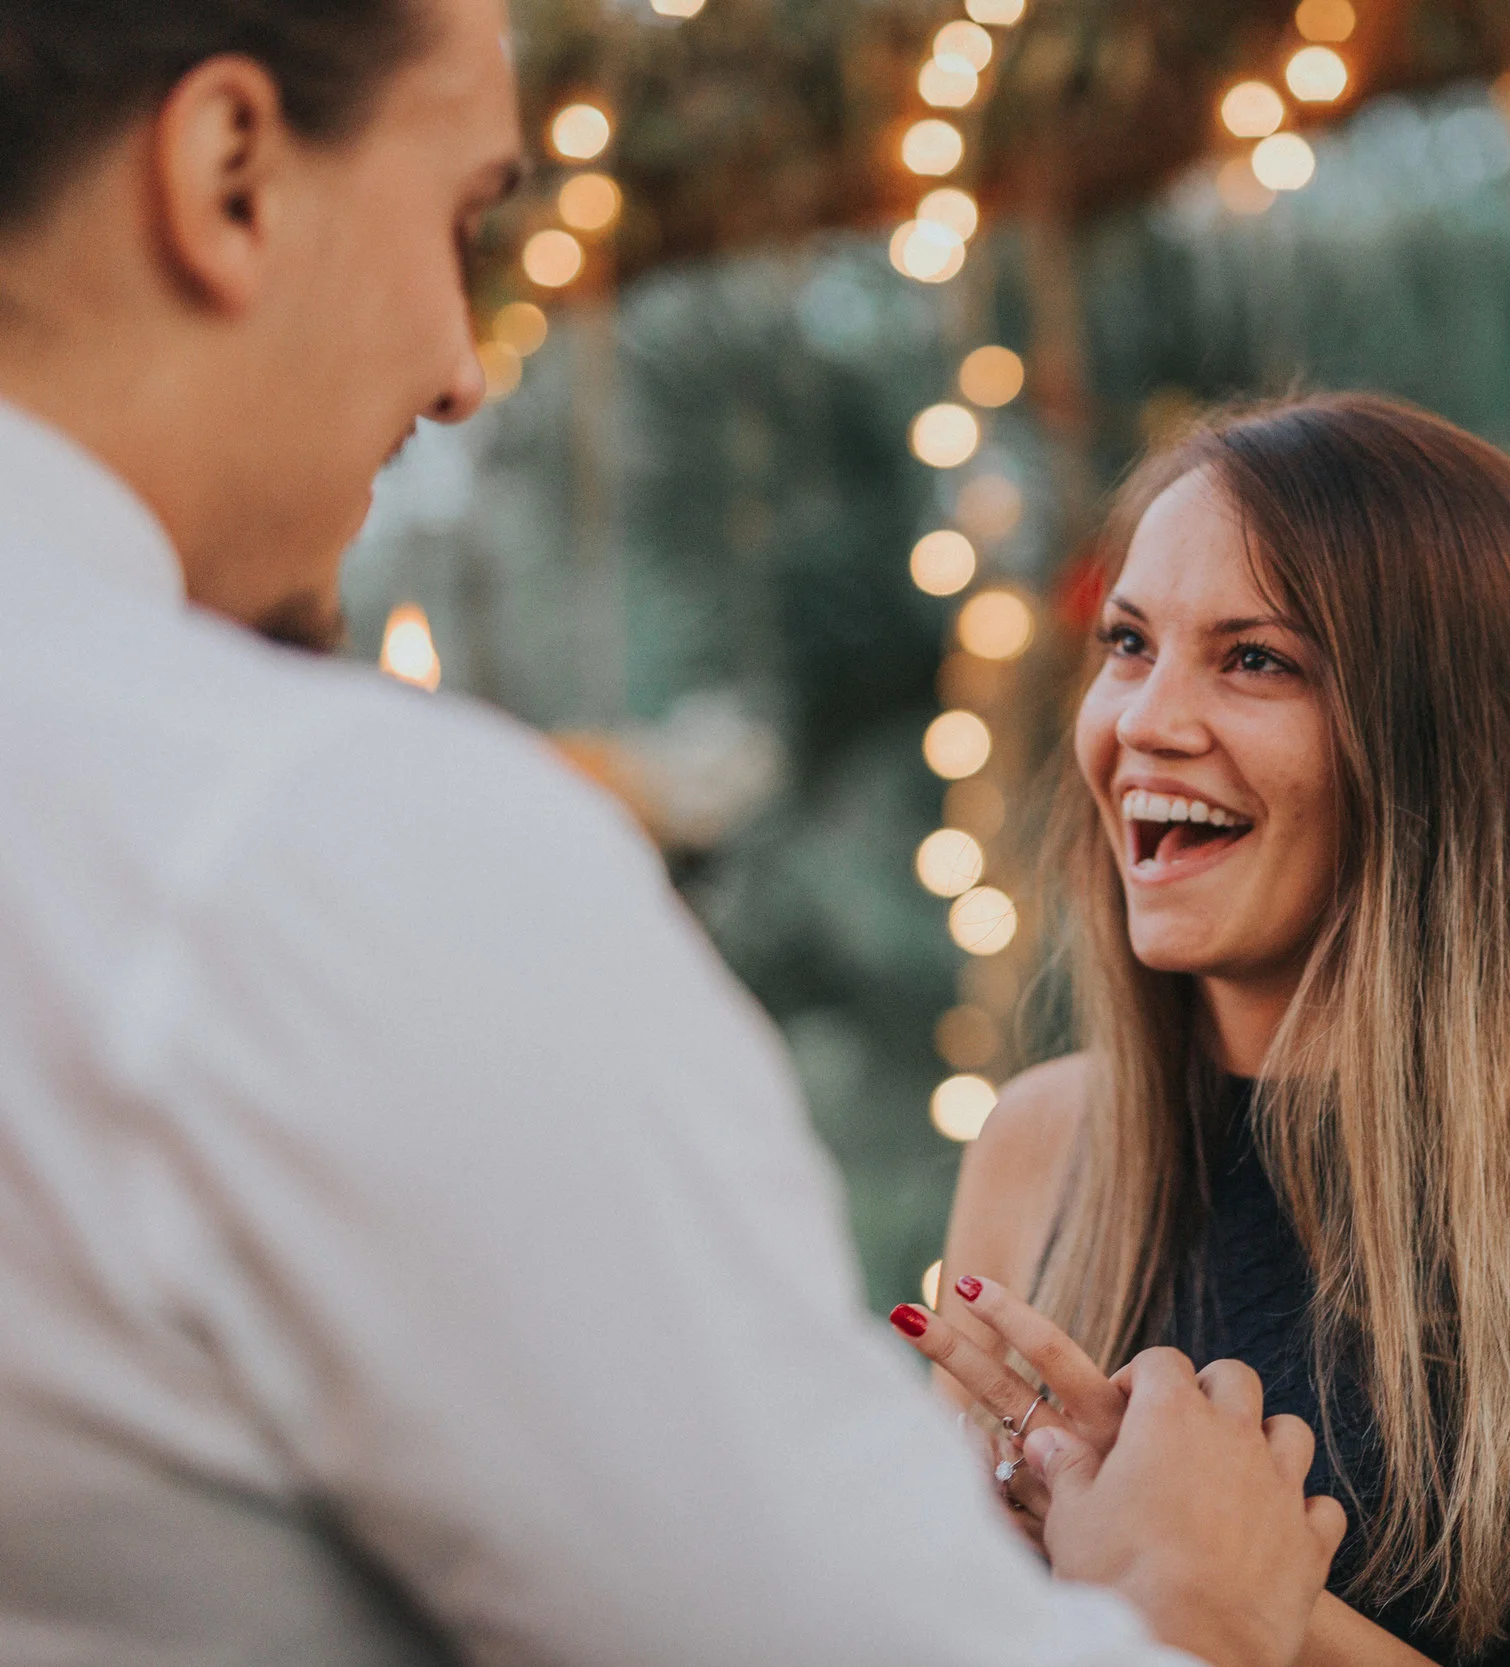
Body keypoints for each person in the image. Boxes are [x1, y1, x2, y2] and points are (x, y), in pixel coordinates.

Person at [0, 3, 1344, 1664]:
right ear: (229, 173)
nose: (462, 370)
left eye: (1256, 658)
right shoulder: (320, 852)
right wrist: (1192, 1606)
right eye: (460, 220)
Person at [894, 395, 1510, 1666]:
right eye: (1128, 643)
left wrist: (1242, 1604)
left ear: (1443, 744)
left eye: (1256, 659)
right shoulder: (1038, 1139)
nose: (1143, 719)